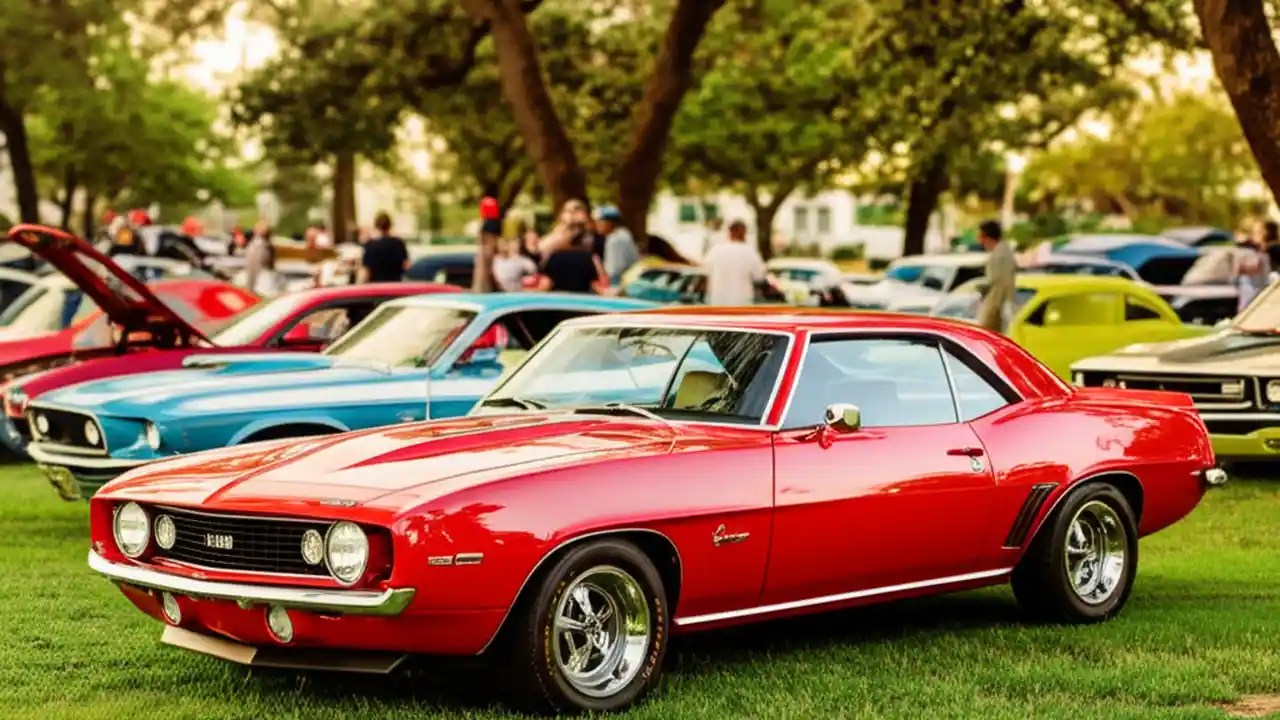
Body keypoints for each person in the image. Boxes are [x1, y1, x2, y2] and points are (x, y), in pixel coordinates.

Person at [702, 220, 765, 306]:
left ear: (729, 232)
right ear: (744, 232)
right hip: (742, 302)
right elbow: (759, 276)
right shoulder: (750, 251)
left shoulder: (716, 250)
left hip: (717, 302)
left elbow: (704, 270)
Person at [976, 219, 1016, 333]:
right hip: (998, 305)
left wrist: (991, 311)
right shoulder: (1001, 251)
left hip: (997, 306)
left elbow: (999, 284)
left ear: (986, 236)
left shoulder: (1000, 255)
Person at [595, 205, 639, 285]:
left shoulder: (615, 239)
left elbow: (614, 271)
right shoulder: (623, 234)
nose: (597, 224)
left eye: (600, 221)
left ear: (611, 222)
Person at [361, 211, 409, 283]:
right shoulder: (399, 243)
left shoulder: (370, 246)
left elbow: (367, 272)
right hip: (396, 287)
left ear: (376, 225)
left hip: (376, 288)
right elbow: (406, 265)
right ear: (390, 225)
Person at [244, 220, 276, 293]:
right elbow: (271, 267)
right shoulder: (267, 247)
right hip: (262, 284)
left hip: (255, 282)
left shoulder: (252, 245)